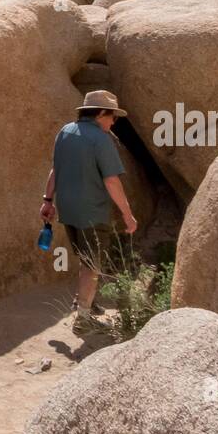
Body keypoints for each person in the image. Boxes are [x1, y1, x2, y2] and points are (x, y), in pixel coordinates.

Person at [40, 90, 137, 334]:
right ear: (101, 114)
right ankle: (82, 317)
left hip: (68, 209)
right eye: (112, 117)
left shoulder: (65, 131)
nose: (113, 122)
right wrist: (127, 214)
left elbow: (55, 169)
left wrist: (47, 200)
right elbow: (112, 181)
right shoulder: (101, 139)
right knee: (91, 265)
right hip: (92, 211)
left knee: (84, 258)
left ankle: (86, 302)